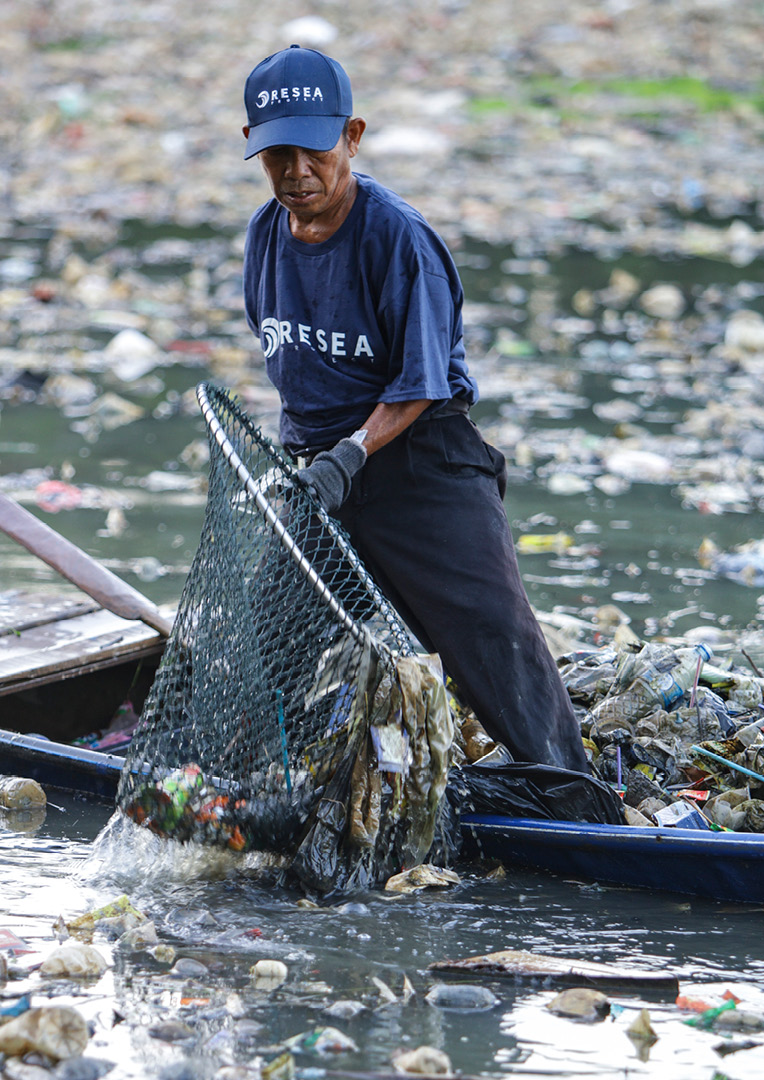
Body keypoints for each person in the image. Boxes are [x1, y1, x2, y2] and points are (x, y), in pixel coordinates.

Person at [241, 44, 588, 773]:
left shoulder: (398, 237)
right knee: (265, 650)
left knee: (494, 643)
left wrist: (352, 454)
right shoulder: (265, 235)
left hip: (422, 465)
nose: (298, 172)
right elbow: (294, 365)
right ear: (253, 149)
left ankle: (570, 795)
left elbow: (421, 379)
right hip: (322, 478)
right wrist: (306, 465)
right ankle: (260, 782)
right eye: (279, 156)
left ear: (353, 136)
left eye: (315, 150)